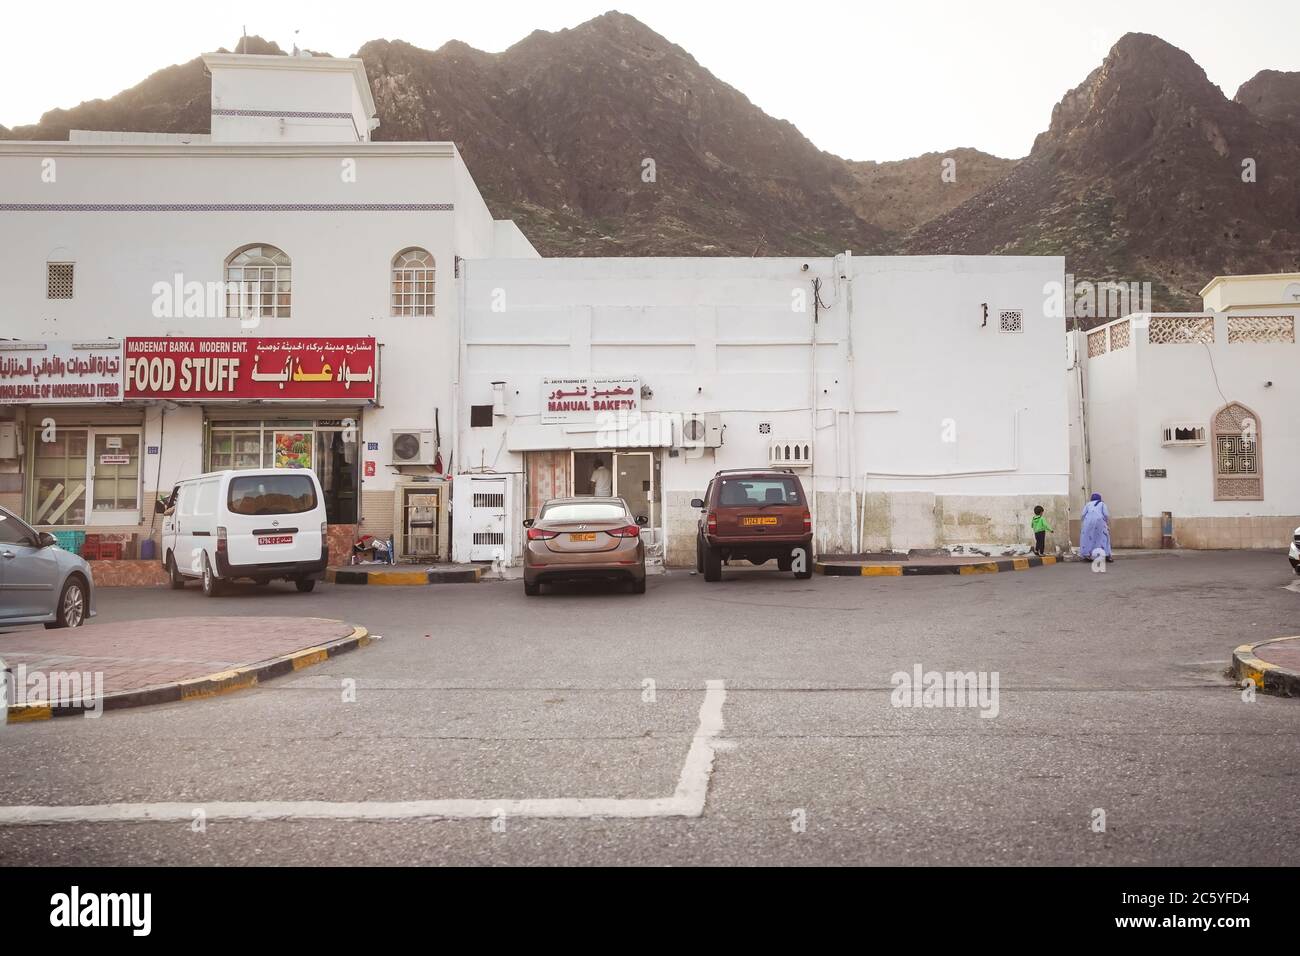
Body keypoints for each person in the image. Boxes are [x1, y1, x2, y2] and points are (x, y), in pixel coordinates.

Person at [1079, 492, 1112, 563]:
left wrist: (1083, 524)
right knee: (1103, 537)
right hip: (1100, 522)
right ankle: (1106, 555)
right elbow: (1106, 514)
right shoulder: (1102, 504)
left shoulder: (1088, 504)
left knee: (1087, 538)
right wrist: (1107, 523)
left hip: (1088, 523)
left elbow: (1082, 515)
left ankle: (1087, 555)